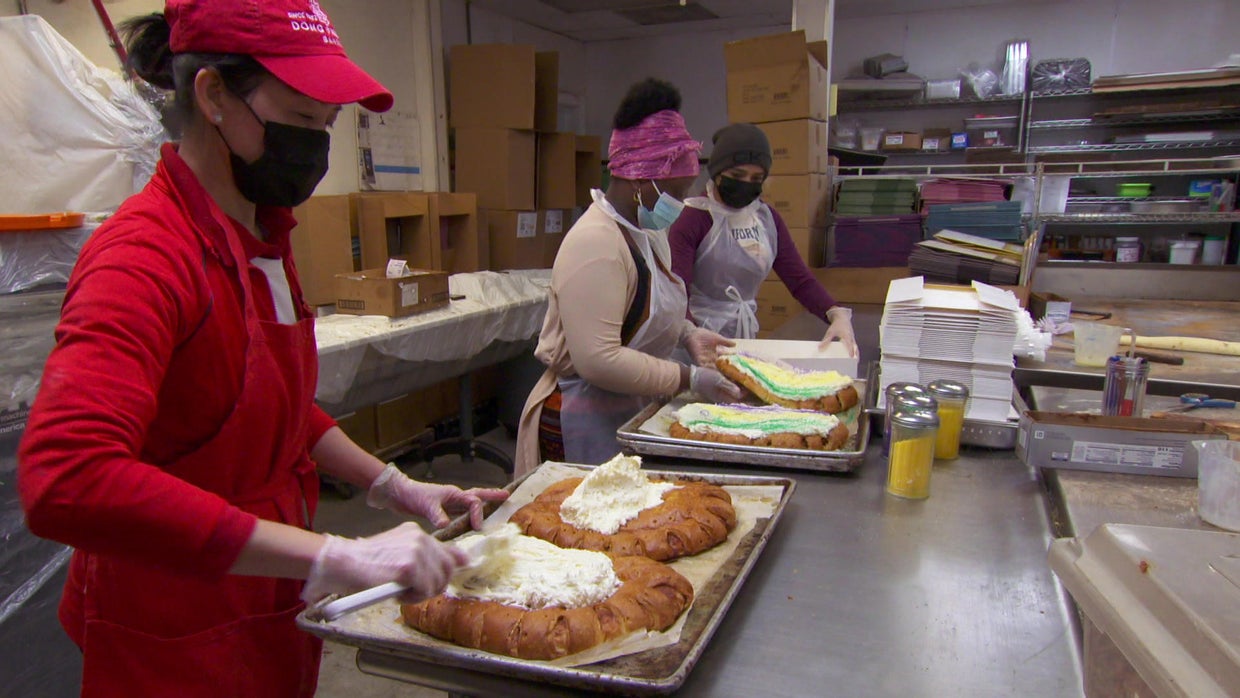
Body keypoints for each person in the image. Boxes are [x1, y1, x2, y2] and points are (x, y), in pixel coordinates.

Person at [16, 2, 506, 695]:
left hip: (267, 594)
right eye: (303, 122)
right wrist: (335, 554)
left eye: (327, 127)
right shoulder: (143, 256)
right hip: (172, 619)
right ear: (214, 94)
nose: (316, 146)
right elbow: (67, 480)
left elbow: (271, 405)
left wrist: (391, 485)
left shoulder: (263, 238)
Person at [515, 78, 741, 476]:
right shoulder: (595, 243)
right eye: (675, 190)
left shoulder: (647, 233)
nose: (682, 203)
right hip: (581, 417)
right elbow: (599, 360)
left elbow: (642, 306)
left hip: (624, 407)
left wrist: (687, 334)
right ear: (640, 180)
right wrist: (689, 378)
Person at [669, 123, 858, 356]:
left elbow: (799, 280)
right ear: (717, 173)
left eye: (756, 177)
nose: (746, 183)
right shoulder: (693, 219)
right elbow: (675, 292)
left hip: (744, 337)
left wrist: (834, 312)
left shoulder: (766, 220)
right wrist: (691, 334)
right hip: (694, 338)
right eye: (737, 175)